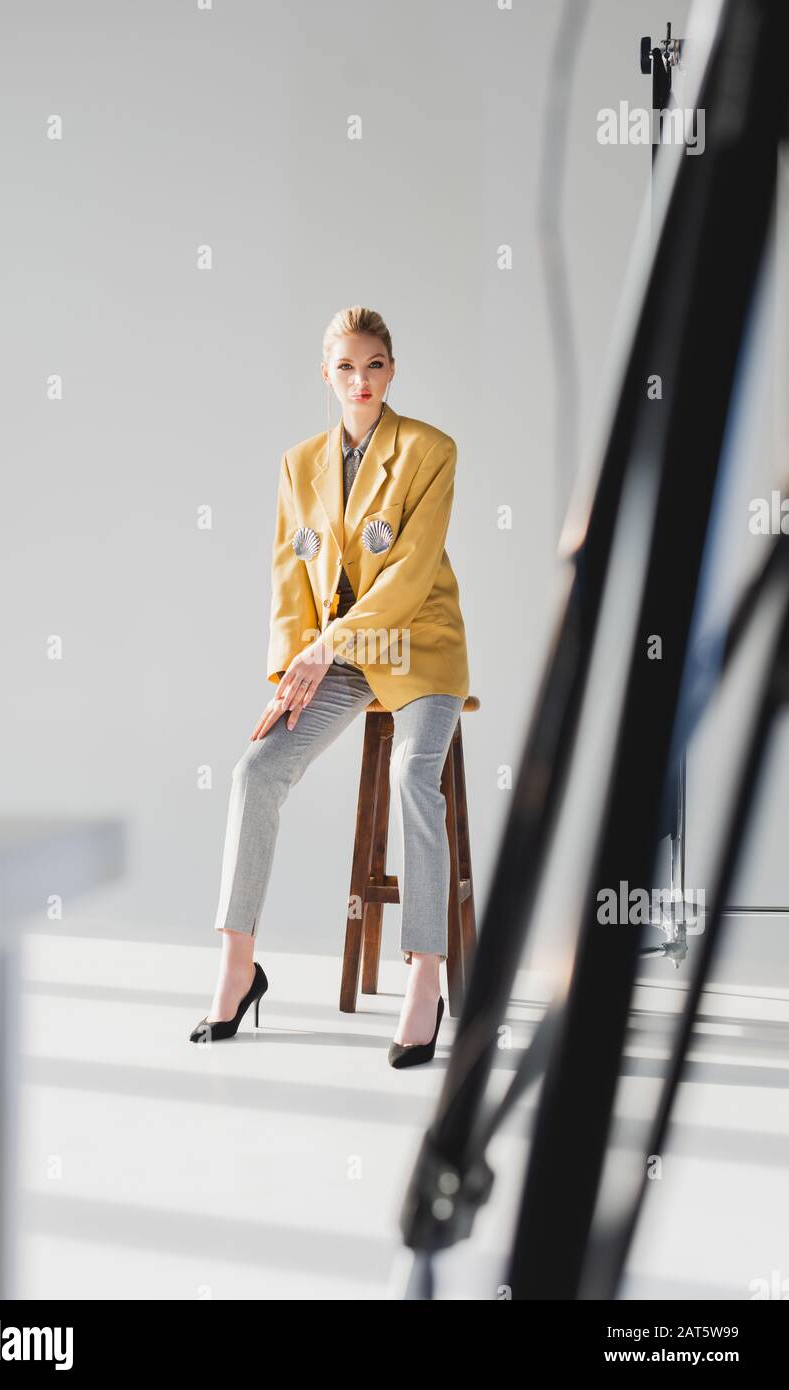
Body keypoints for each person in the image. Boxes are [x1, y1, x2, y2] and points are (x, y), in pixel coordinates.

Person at [190, 305, 470, 1067]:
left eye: (374, 364)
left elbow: (410, 578)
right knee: (256, 769)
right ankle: (238, 965)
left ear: (391, 369)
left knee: (413, 777)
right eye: (345, 367)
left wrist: (323, 646)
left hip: (417, 645)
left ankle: (424, 977)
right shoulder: (297, 464)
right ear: (326, 373)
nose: (361, 381)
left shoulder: (429, 450)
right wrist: (290, 673)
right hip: (332, 659)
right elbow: (289, 578)